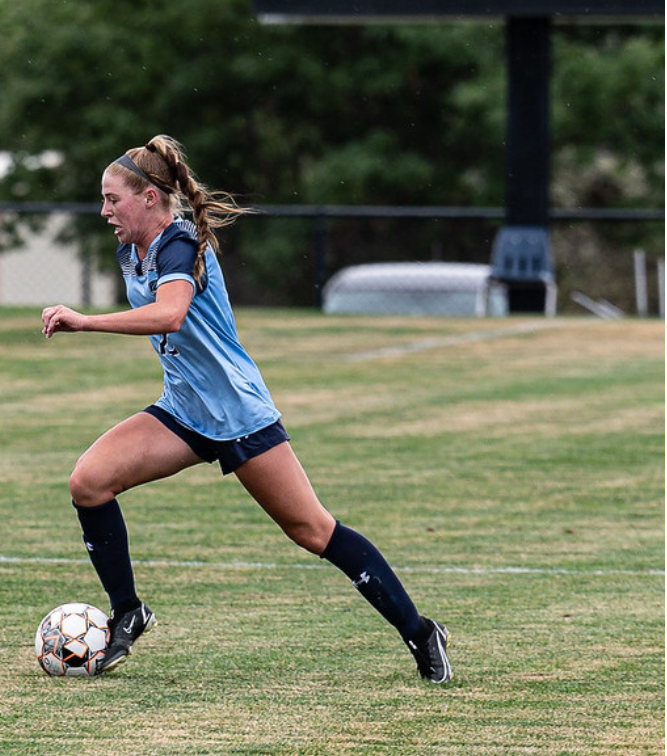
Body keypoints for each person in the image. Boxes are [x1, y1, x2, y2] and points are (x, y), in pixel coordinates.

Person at [40, 135, 452, 683]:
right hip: (184, 410)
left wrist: (86, 321)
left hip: (238, 414)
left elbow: (170, 315)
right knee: (88, 481)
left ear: (148, 197)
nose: (104, 211)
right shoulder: (129, 250)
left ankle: (421, 633)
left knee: (314, 531)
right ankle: (128, 613)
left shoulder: (179, 243)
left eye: (112, 199)